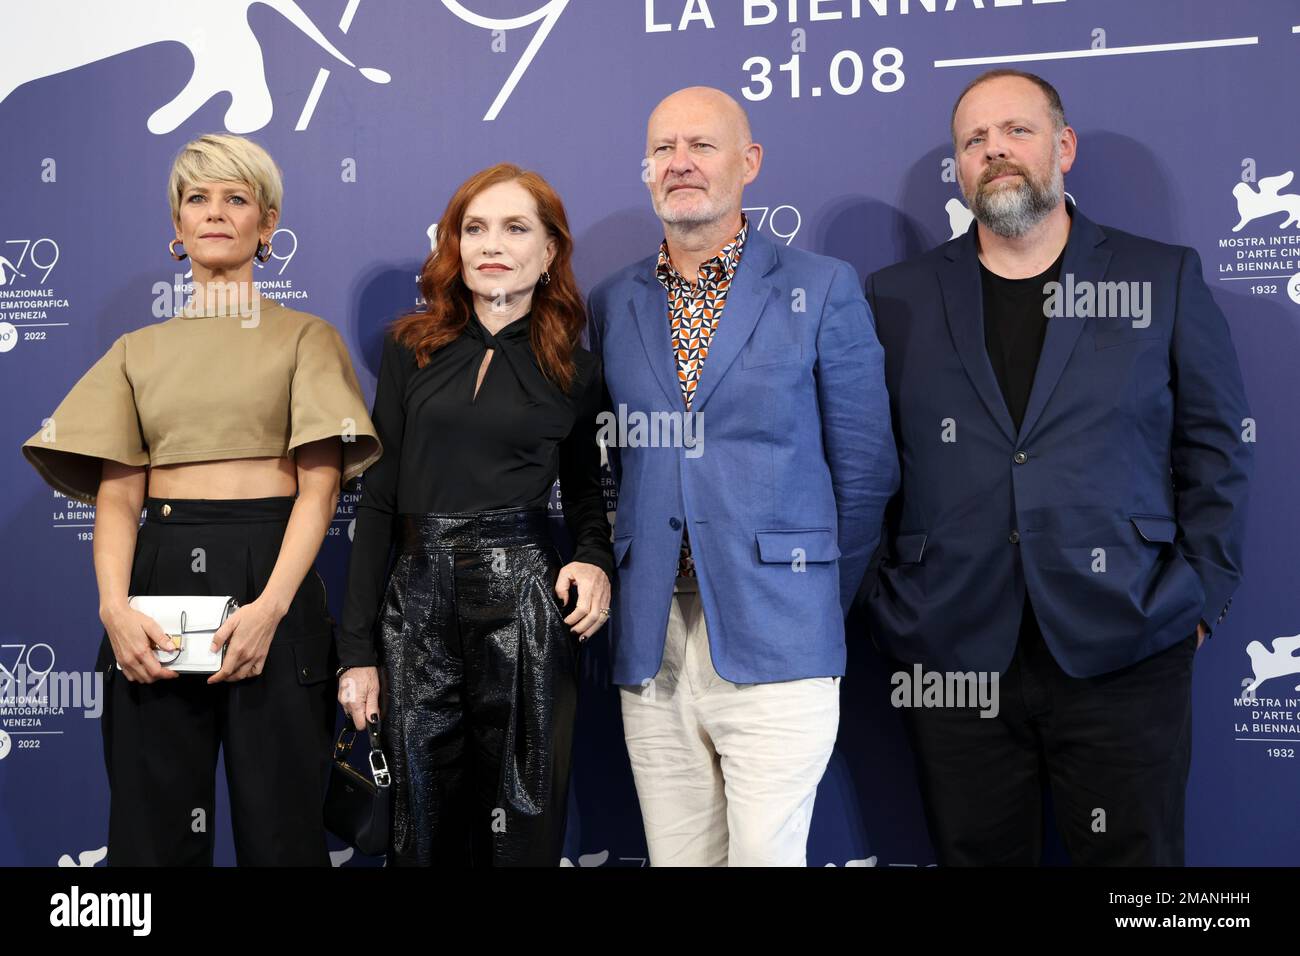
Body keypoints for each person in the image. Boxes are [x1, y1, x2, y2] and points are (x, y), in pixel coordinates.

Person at [864, 70, 1253, 865]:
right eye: (974, 141)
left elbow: (1215, 446)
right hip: (952, 651)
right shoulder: (895, 296)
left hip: (1128, 641)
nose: (995, 152)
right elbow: (864, 464)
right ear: (959, 168)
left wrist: (1199, 599)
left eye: (1017, 131)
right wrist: (887, 601)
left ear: (1063, 146)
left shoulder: (1160, 276)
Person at [21, 133, 381, 866]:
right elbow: (119, 502)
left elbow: (319, 491)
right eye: (197, 198)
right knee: (151, 839)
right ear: (177, 228)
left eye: (236, 198)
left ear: (268, 225)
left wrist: (271, 610)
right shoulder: (135, 351)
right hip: (156, 591)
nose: (215, 213)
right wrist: (113, 609)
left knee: (281, 833)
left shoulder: (306, 339)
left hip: (273, 584)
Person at [587, 87, 898, 866]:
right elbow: (606, 464)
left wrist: (807, 591)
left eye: (701, 145)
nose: (679, 163)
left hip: (780, 634)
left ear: (749, 162)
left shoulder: (822, 287)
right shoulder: (613, 300)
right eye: (663, 149)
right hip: (652, 643)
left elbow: (864, 473)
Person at [337, 163, 613, 866]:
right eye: (475, 227)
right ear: (453, 244)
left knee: (524, 824)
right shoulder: (410, 349)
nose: (492, 243)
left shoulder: (576, 372)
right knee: (417, 826)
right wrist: (358, 653)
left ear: (549, 252)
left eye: (516, 228)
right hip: (415, 603)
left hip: (524, 600)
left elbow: (585, 497)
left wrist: (595, 559)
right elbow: (377, 498)